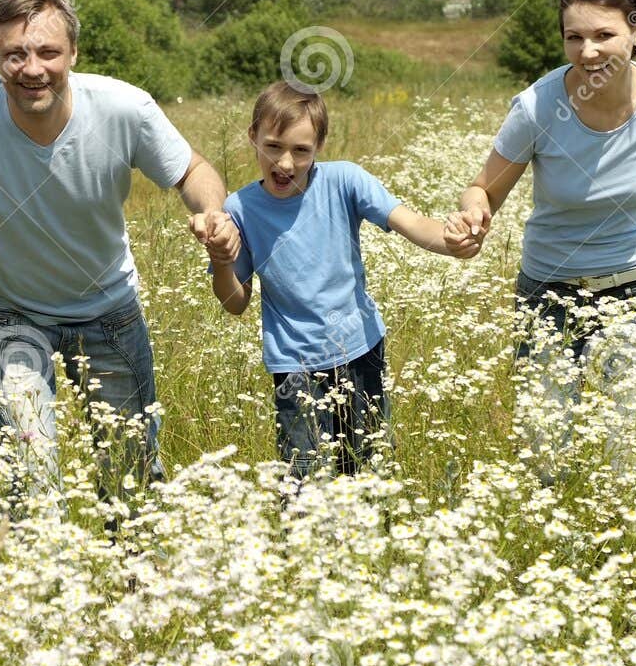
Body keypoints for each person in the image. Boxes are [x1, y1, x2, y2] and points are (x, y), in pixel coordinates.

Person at [0, 0, 237, 516]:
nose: (31, 69)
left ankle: (138, 590)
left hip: (106, 310)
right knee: (32, 471)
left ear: (73, 55)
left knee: (131, 473)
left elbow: (193, 171)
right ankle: (46, 592)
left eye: (47, 52)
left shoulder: (124, 108)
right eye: (14, 55)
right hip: (4, 312)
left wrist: (212, 212)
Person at [446, 0, 636, 479]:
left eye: (604, 35)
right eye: (574, 37)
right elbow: (484, 188)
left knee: (630, 443)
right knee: (546, 450)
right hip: (549, 293)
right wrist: (474, 213)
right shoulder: (537, 109)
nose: (588, 52)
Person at [203, 81, 478, 481]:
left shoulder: (344, 181)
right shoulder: (239, 209)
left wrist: (453, 242)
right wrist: (222, 261)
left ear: (320, 146)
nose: (285, 163)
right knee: (303, 480)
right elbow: (234, 302)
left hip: (361, 349)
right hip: (294, 366)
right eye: (273, 146)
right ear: (252, 138)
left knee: (368, 469)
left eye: (301, 150)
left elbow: (413, 223)